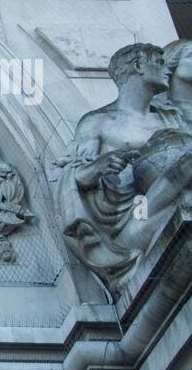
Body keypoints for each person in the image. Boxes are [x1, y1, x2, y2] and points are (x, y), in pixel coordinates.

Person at [57, 42, 192, 285]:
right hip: (133, 224)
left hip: (171, 204)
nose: (167, 70)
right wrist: (100, 165)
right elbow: (73, 178)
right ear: (138, 66)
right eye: (160, 63)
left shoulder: (173, 117)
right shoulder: (97, 122)